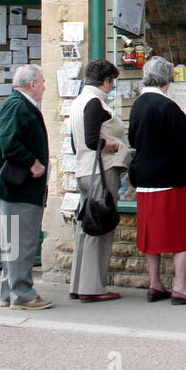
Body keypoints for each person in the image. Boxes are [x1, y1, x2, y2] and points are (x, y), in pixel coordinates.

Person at [127, 56, 186, 305]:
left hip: (144, 179)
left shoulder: (137, 105)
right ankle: (180, 287)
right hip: (170, 178)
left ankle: (155, 284)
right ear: (167, 80)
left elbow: (133, 140)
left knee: (150, 235)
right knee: (181, 234)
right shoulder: (168, 106)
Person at [0, 64, 51, 310]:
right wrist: (33, 163)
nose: (45, 87)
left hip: (13, 188)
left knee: (12, 242)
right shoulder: (18, 105)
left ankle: (9, 292)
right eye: (43, 82)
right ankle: (23, 295)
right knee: (22, 243)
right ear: (32, 84)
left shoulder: (15, 103)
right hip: (19, 188)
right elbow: (8, 142)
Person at [68, 58, 126, 302]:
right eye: (112, 83)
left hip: (84, 170)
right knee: (100, 229)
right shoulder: (94, 103)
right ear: (106, 82)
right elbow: (93, 141)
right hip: (100, 171)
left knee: (87, 226)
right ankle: (93, 287)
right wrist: (112, 144)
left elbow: (76, 142)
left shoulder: (78, 102)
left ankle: (78, 283)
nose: (112, 87)